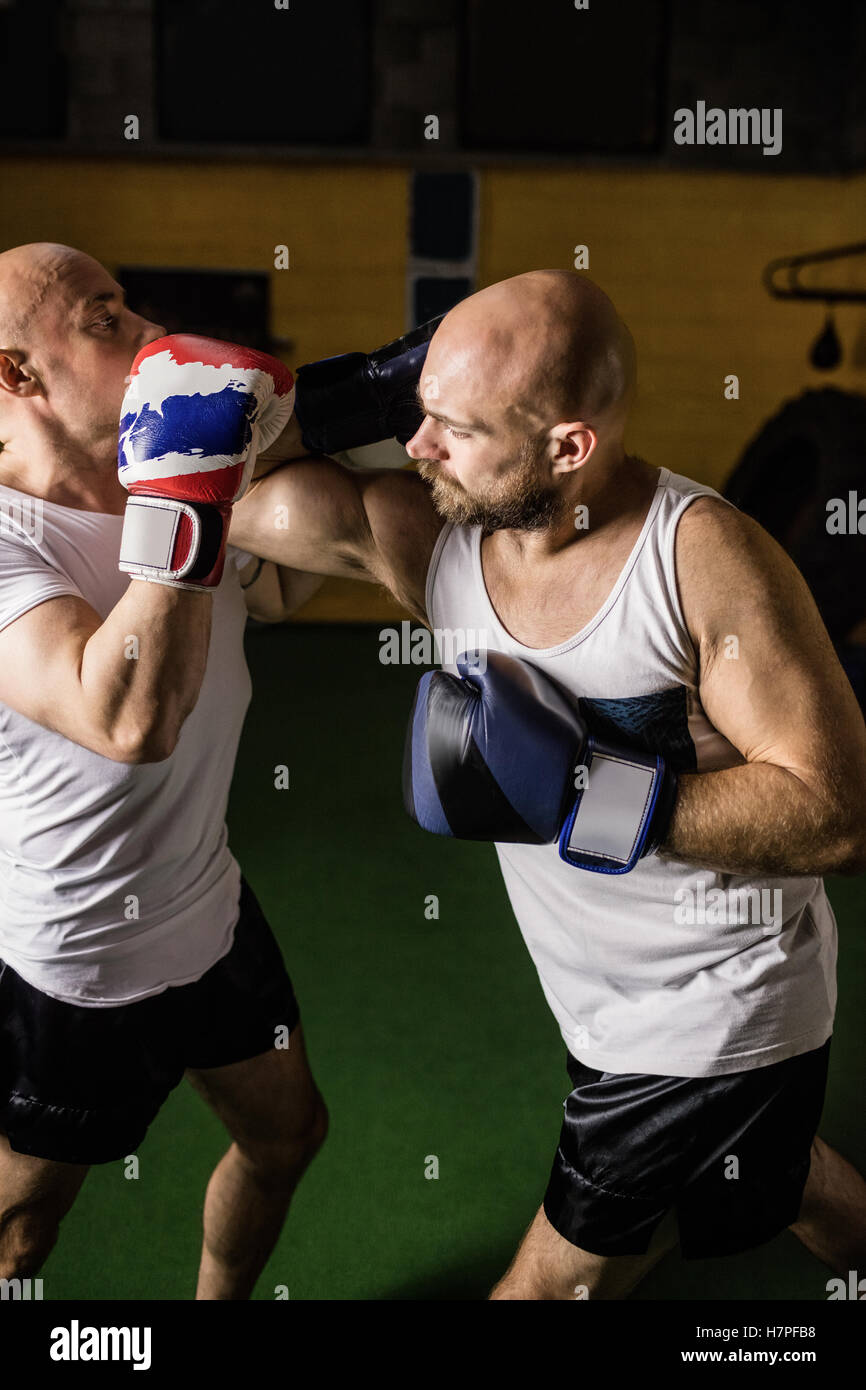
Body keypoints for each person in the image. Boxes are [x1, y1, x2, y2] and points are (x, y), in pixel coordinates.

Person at [229, 267, 866, 1300]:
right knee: (779, 1176)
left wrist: (582, 796)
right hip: (602, 1008)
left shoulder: (695, 563)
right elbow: (240, 490)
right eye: (415, 417)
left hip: (707, 1022)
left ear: (568, 447)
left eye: (454, 429)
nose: (419, 447)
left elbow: (837, 812)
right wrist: (374, 393)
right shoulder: (439, 546)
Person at [0, 242, 327, 1300]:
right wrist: (189, 485)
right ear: (16, 376)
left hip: (210, 908)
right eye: (102, 319)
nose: (144, 333)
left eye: (127, 304)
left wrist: (371, 407)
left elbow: (273, 595)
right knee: (21, 1234)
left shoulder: (169, 477)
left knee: (286, 1138)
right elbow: (126, 717)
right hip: (77, 968)